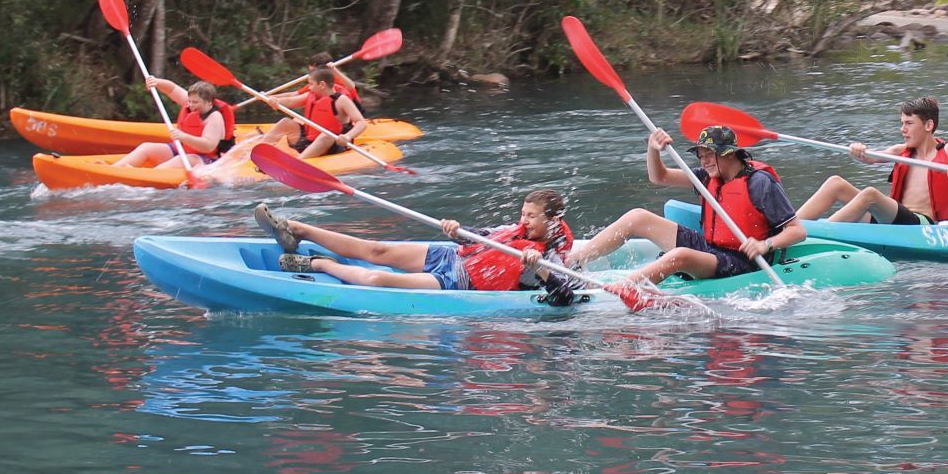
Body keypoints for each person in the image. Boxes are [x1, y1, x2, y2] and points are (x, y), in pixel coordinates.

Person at [567, 126, 806, 286]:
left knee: (679, 256)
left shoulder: (760, 183)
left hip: (744, 260)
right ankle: (571, 263)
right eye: (701, 156)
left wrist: (765, 244)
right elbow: (659, 177)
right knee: (637, 217)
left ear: (730, 154)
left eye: (710, 155)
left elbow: (797, 231)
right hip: (711, 248)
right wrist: (653, 149)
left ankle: (617, 289)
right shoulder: (707, 177)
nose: (704, 161)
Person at [257, 188, 578, 300]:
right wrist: (456, 231)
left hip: (458, 281)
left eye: (531, 217)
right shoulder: (517, 229)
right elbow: (481, 234)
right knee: (377, 250)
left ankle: (321, 264)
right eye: (523, 214)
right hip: (451, 256)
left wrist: (540, 271)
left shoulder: (551, 254)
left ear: (551, 220)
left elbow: (564, 296)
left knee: (376, 279)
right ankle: (297, 229)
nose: (524, 221)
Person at [796, 96, 948, 226]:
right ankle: (789, 227)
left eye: (909, 123)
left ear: (928, 125)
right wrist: (859, 151)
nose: (903, 129)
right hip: (893, 219)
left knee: (871, 195)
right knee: (835, 183)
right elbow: (872, 158)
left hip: (922, 224)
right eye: (902, 123)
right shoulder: (901, 150)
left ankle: (824, 233)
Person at [110, 78, 236, 170]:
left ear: (209, 102)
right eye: (190, 101)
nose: (191, 105)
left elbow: (208, 146)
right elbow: (172, 89)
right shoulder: (191, 103)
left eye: (195, 102)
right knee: (146, 147)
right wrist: (157, 82)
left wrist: (183, 136)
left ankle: (148, 175)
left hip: (205, 160)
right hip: (182, 149)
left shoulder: (215, 118)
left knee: (183, 159)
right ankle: (115, 169)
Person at [267, 67, 369, 159]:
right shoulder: (310, 95)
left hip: (331, 145)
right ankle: (262, 151)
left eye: (311, 84)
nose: (309, 87)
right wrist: (276, 100)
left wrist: (348, 136)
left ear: (322, 85)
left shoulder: (341, 100)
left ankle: (298, 163)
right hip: (308, 142)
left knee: (326, 135)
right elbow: (290, 101)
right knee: (285, 122)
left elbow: (361, 122)